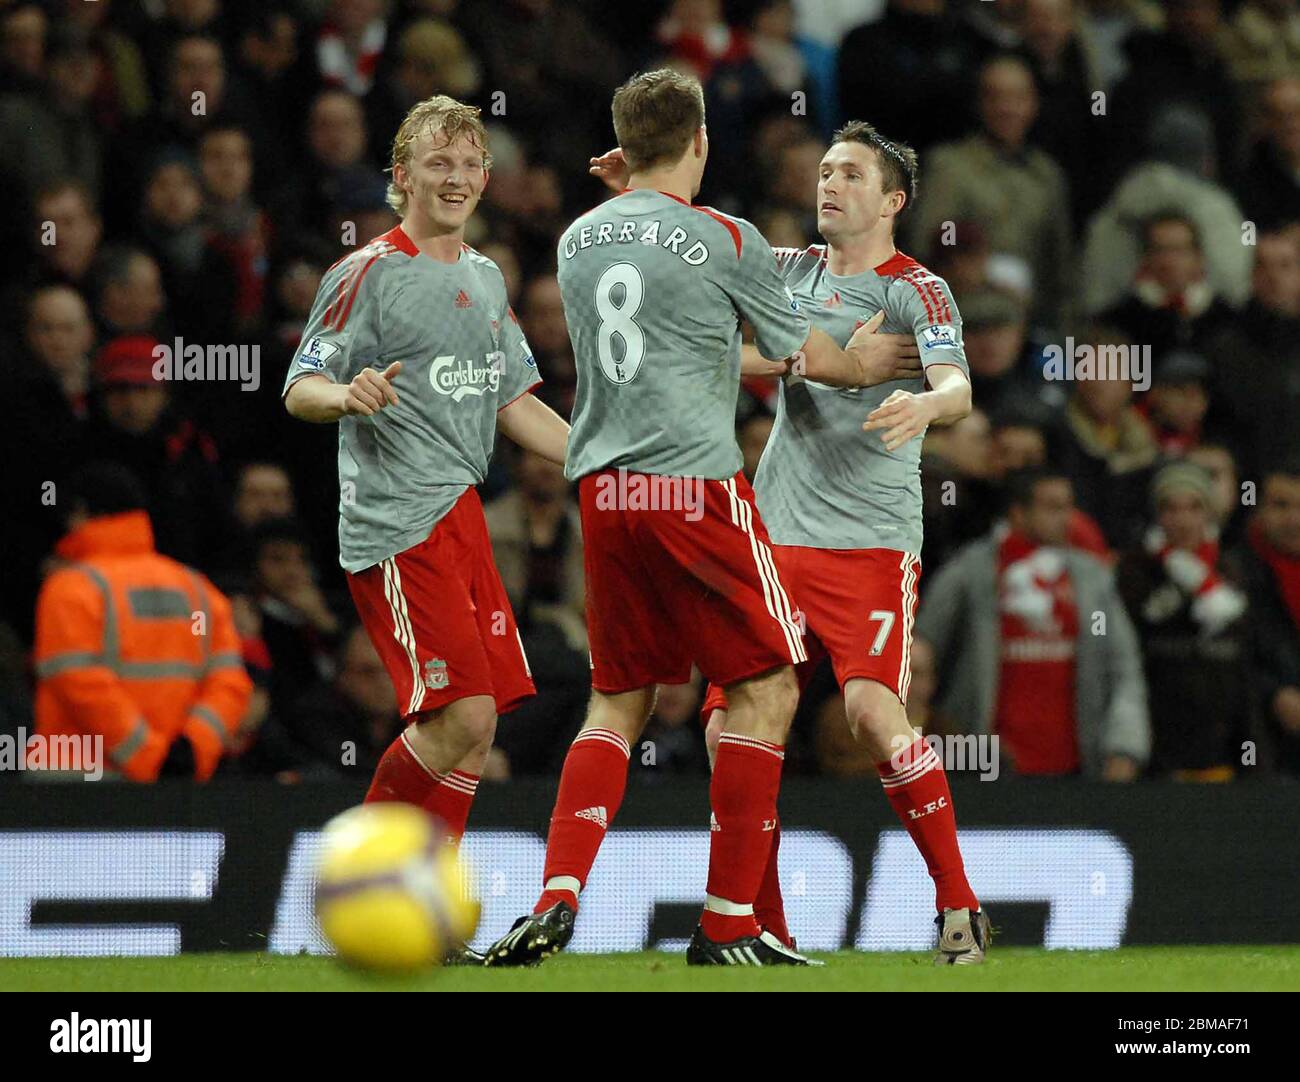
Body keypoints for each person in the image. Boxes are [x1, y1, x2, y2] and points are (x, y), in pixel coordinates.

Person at [484, 69, 908, 968]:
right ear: (703, 141)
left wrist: (630, 190)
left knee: (618, 698)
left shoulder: (578, 239)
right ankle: (726, 926)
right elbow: (812, 355)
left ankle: (558, 893)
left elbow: (664, 296)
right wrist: (868, 366)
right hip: (694, 491)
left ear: (624, 146)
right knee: (771, 686)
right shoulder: (729, 237)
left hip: (603, 496)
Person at [692, 121, 988, 964]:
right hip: (776, 533)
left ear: (892, 200)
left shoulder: (916, 289)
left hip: (867, 542)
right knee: (728, 733)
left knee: (871, 713)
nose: (830, 183)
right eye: (824, 171)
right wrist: (813, 362)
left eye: (851, 174)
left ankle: (959, 908)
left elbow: (957, 383)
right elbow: (706, 338)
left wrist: (929, 405)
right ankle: (766, 927)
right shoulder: (786, 272)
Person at [282, 96, 569, 949]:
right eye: (438, 163)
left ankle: (424, 922)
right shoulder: (364, 271)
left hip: (463, 518)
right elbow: (300, 385)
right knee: (462, 719)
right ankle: (355, 892)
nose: (457, 177)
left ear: (486, 177)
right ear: (401, 176)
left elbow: (517, 400)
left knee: (475, 738)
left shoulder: (485, 277)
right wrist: (348, 393)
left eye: (470, 163)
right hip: (399, 526)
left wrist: (602, 458)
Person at [916, 468, 1151, 780]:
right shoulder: (970, 574)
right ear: (1018, 513)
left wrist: (1124, 746)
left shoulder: (1090, 579)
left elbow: (1123, 667)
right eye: (1052, 507)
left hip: (1076, 767)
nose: (1066, 518)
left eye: (1068, 507)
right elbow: (921, 654)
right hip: (986, 767)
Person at [33, 464, 252, 781]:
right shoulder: (197, 591)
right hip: (179, 785)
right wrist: (192, 749)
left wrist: (147, 755)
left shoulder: (71, 587)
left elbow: (78, 683)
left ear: (81, 513)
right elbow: (228, 683)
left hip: (77, 783)